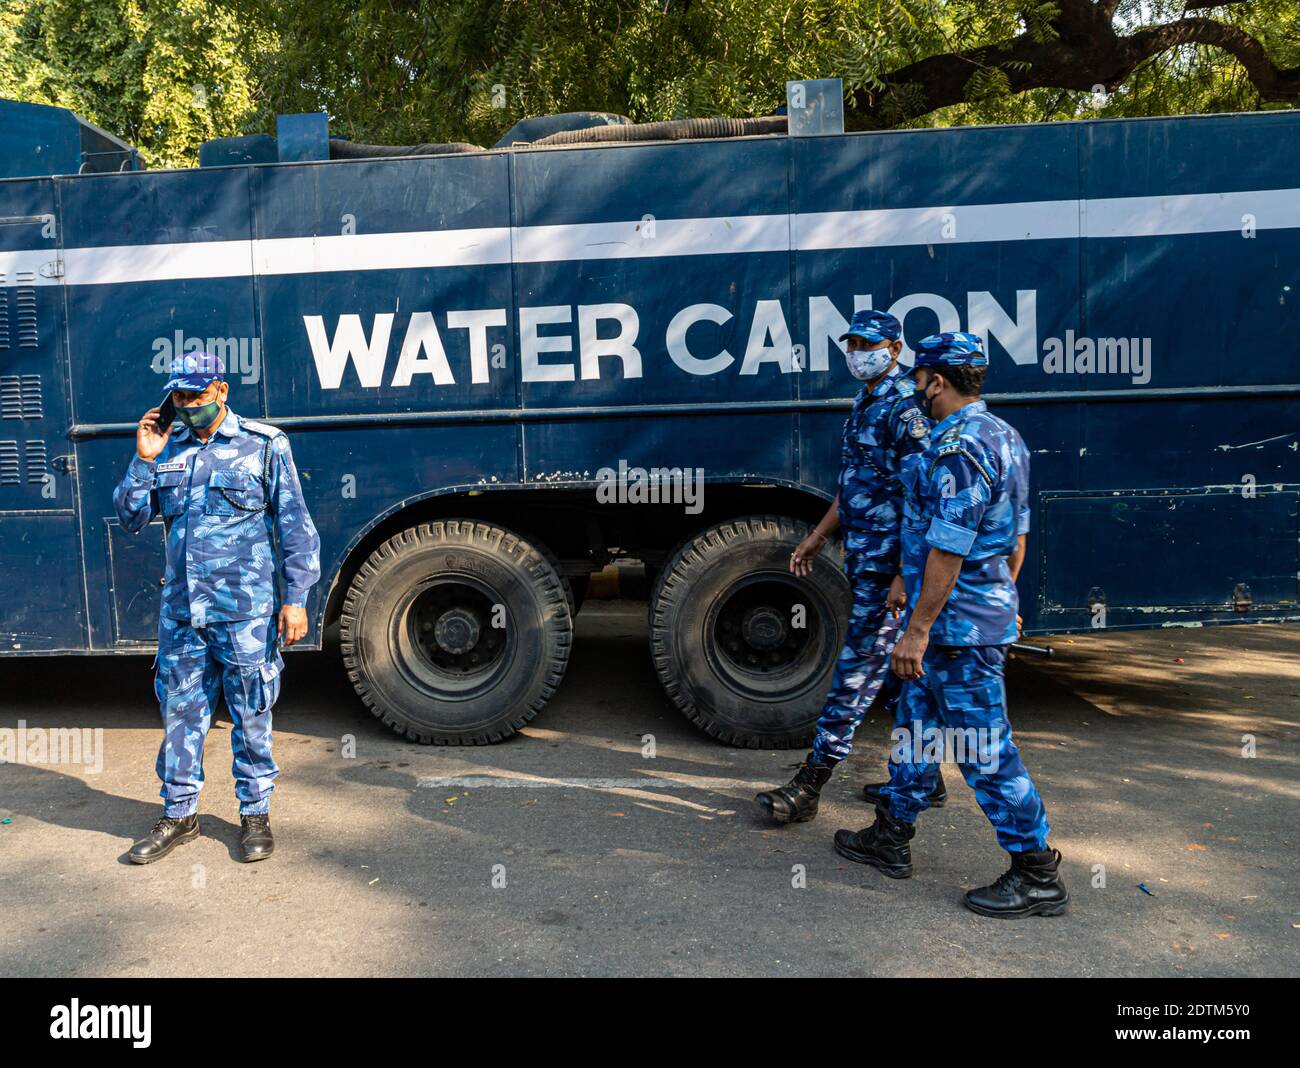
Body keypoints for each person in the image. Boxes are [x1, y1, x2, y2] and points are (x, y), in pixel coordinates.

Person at [832, 331, 1067, 917]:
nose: (915, 391)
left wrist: (917, 631)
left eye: (918, 381)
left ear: (937, 381)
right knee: (916, 727)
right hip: (968, 618)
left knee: (983, 748)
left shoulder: (959, 448)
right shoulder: (1004, 435)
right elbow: (1016, 539)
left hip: (955, 630)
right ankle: (890, 835)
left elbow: (948, 548)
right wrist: (1000, 600)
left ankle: (1037, 872)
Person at [113, 351, 320, 864]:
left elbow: (295, 527)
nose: (188, 405)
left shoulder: (265, 445)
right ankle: (179, 814)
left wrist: (295, 600)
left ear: (221, 390)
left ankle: (255, 814)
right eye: (179, 396)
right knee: (181, 714)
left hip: (245, 612)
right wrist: (144, 458)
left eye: (197, 394)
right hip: (183, 615)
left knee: (252, 714)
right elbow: (130, 517)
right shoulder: (167, 447)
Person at [755, 309, 944, 823]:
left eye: (868, 344)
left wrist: (904, 573)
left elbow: (922, 497)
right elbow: (855, 482)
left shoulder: (905, 407)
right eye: (853, 344)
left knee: (858, 669)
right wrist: (818, 536)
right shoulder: (865, 400)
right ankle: (924, 778)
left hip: (891, 568)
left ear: (895, 349)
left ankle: (809, 785)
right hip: (865, 556)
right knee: (898, 676)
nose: (857, 353)